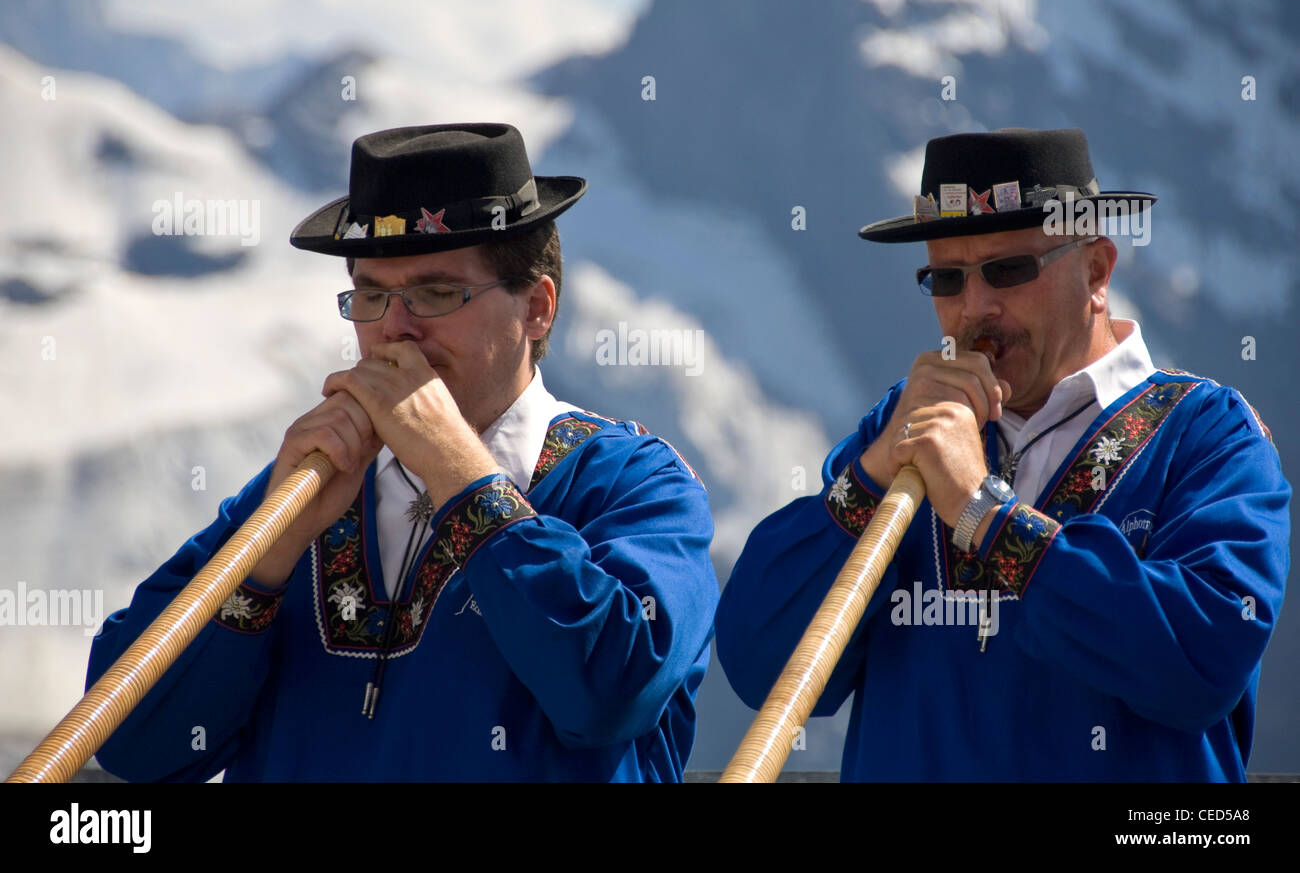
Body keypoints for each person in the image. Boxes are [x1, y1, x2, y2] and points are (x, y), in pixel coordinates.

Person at [88, 123, 718, 782]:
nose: (394, 325)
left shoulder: (637, 485)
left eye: (437, 292)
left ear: (536, 308)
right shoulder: (302, 490)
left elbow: (612, 690)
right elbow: (129, 735)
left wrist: (456, 468)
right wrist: (268, 560)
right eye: (370, 293)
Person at [715, 127, 1290, 782]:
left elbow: (1202, 658)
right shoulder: (904, 430)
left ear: (1097, 270)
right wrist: (870, 474)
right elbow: (757, 659)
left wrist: (983, 514)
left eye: (1008, 270)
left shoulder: (1208, 435)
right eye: (946, 278)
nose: (974, 308)